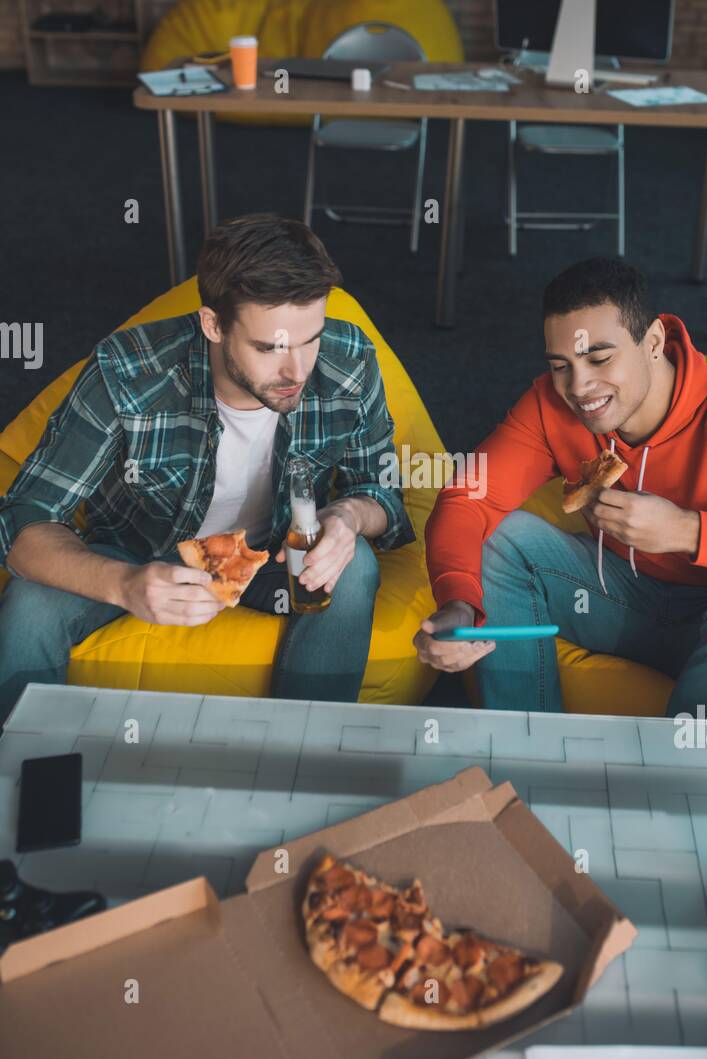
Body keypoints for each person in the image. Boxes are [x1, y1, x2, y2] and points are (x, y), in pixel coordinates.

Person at [0, 214, 414, 725]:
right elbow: (24, 518)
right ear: (213, 325)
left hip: (272, 553)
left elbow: (382, 492)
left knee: (355, 569)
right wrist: (124, 583)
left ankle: (305, 755)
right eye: (270, 348)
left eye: (311, 339)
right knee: (30, 600)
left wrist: (349, 517)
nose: (297, 371)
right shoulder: (127, 371)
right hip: (139, 553)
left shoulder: (349, 359)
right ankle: (20, 780)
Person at [415, 257, 707, 717]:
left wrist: (689, 532)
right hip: (620, 602)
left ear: (652, 342)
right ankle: (520, 755)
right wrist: (458, 603)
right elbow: (468, 498)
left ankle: (685, 777)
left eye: (599, 358)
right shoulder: (551, 405)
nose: (580, 386)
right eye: (561, 365)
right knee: (502, 541)